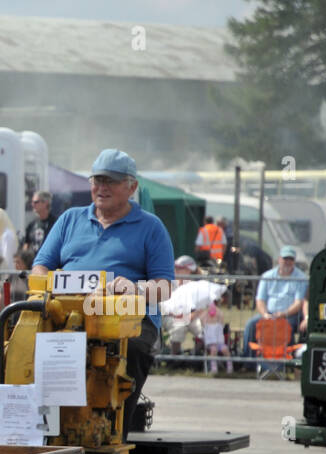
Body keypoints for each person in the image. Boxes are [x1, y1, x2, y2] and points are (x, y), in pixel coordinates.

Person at [33, 148, 174, 437]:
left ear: (132, 187)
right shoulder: (70, 219)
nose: (102, 187)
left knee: (130, 349)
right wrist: (47, 293)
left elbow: (164, 287)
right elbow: (40, 269)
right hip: (69, 316)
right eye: (97, 180)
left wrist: (135, 289)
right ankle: (41, 430)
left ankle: (112, 431)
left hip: (127, 322)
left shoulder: (151, 227)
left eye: (111, 181)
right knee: (22, 348)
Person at [244, 246, 306, 358]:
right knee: (251, 324)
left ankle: (286, 360)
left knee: (285, 325)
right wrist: (265, 314)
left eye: (290, 259)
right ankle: (247, 360)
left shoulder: (301, 278)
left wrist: (283, 314)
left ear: (294, 261)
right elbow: (260, 300)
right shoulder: (267, 276)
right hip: (269, 313)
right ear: (279, 259)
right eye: (285, 258)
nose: (287, 262)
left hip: (290, 315)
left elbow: (298, 303)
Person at [166, 255, 203, 357]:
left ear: (188, 270)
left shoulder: (197, 285)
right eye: (175, 267)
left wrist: (191, 316)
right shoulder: (171, 284)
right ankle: (175, 357)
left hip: (192, 317)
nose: (175, 270)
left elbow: (202, 307)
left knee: (202, 331)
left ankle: (194, 355)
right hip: (173, 316)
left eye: (179, 268)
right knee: (178, 327)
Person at [23, 190, 56, 258]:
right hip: (34, 264)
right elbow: (26, 245)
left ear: (45, 203)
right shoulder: (31, 225)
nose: (32, 204)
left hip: (50, 264)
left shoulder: (56, 223)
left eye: (36, 202)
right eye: (32, 202)